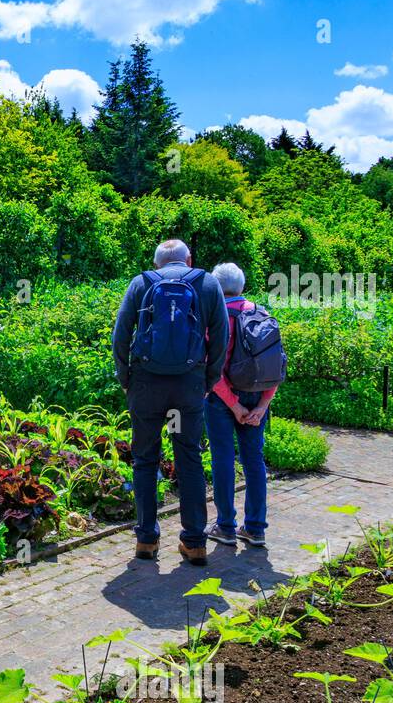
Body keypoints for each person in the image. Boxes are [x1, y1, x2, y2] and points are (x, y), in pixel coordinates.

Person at [112, 240, 228, 566]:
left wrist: (126, 379)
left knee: (146, 459)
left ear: (157, 263)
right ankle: (194, 543)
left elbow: (120, 335)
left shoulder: (142, 283)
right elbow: (221, 337)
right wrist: (207, 381)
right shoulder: (207, 284)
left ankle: (146, 540)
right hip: (186, 389)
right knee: (187, 458)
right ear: (189, 259)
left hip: (147, 388)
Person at [204, 262, 280, 548]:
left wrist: (234, 405)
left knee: (223, 459)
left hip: (222, 399)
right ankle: (256, 528)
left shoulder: (215, 317)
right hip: (257, 397)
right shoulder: (262, 313)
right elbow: (274, 364)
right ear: (242, 286)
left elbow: (211, 369)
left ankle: (225, 526)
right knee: (254, 461)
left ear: (215, 288)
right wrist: (262, 405)